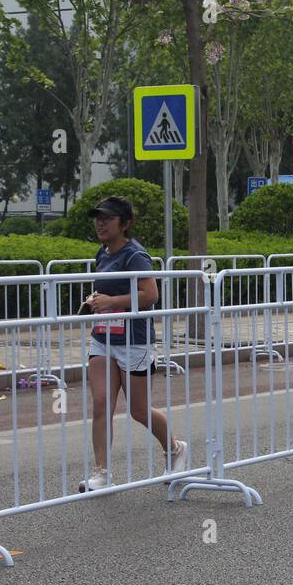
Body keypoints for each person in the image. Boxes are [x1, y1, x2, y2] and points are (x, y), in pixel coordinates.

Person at [79, 196, 188, 492]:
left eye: (108, 218)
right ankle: (101, 472)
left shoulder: (135, 255)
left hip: (133, 341)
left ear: (125, 224)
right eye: (98, 217)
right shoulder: (101, 253)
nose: (100, 223)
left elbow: (151, 294)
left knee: (138, 410)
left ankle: (175, 447)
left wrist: (112, 301)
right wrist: (94, 301)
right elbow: (105, 289)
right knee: (101, 404)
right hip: (102, 337)